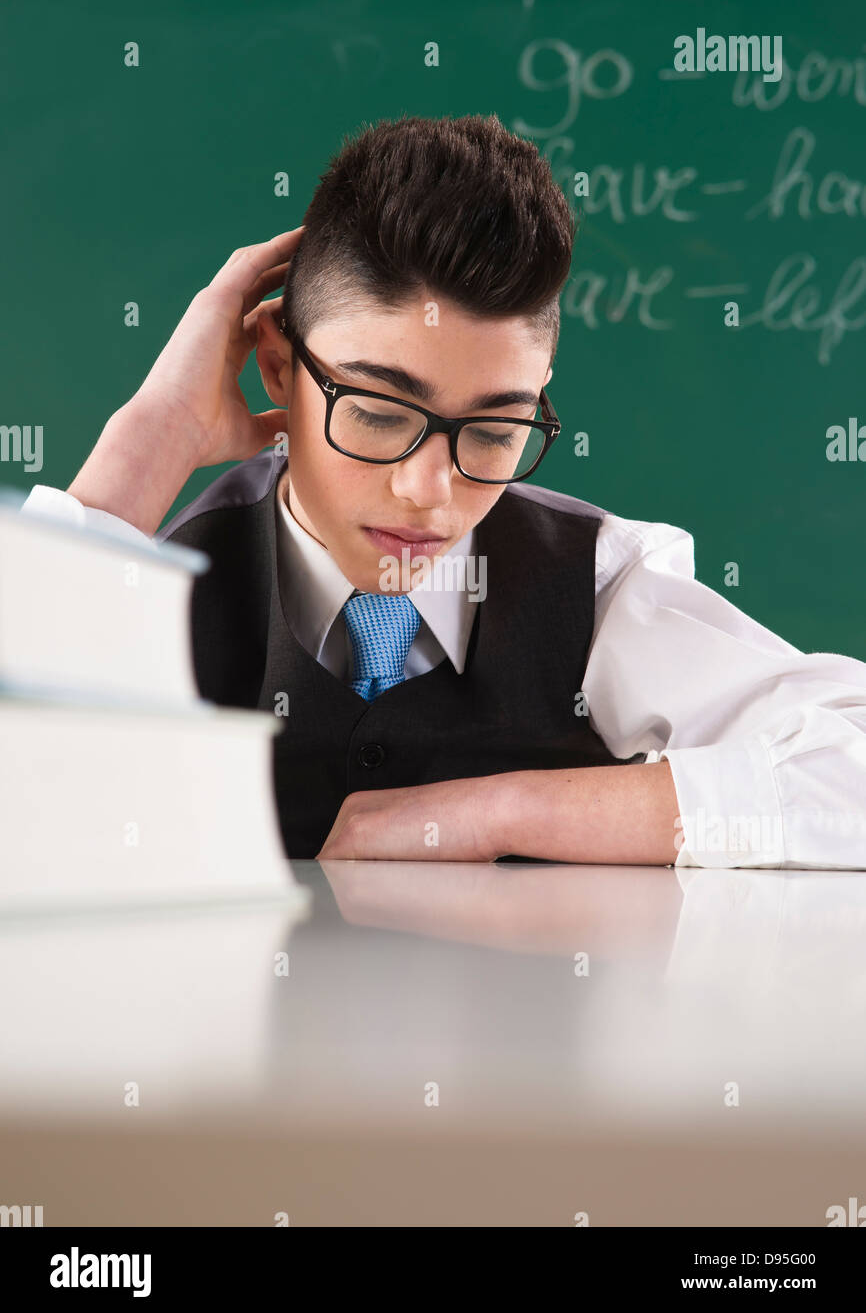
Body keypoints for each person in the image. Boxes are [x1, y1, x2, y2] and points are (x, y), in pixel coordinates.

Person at [22, 115, 866, 868]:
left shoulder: (596, 584)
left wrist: (504, 808)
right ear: (278, 365)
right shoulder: (139, 584)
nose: (431, 491)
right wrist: (145, 445)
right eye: (381, 413)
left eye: (495, 432)